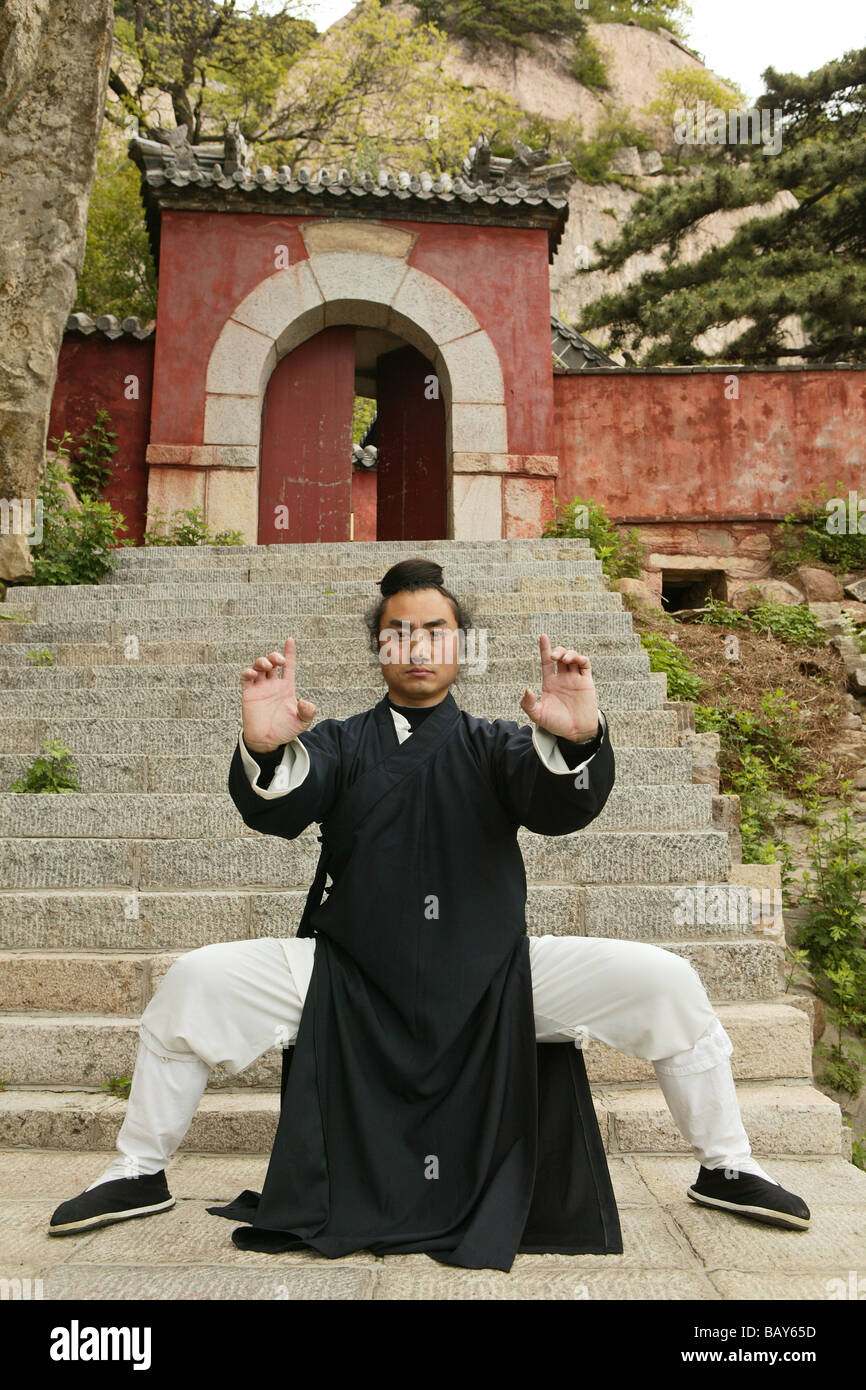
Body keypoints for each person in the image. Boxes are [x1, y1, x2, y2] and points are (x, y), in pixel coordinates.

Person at [48, 558, 809, 1269]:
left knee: (666, 981)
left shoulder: (499, 744)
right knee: (194, 984)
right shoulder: (340, 743)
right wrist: (268, 750)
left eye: (435, 630)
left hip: (491, 982)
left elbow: (555, 808)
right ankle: (138, 1171)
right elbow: (282, 810)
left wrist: (576, 741)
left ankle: (727, 1165)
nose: (417, 646)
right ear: (378, 647)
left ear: (462, 645)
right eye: (399, 631)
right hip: (353, 982)